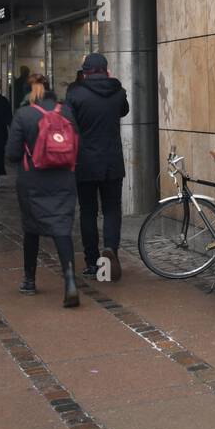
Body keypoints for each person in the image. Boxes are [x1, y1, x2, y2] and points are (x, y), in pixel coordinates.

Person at [6, 74, 80, 306]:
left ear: (29, 92)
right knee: (62, 229)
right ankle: (70, 281)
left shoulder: (24, 114)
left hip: (33, 181)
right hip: (64, 180)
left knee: (31, 229)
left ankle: (29, 281)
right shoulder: (66, 112)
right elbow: (78, 144)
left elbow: (12, 153)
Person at [66, 53, 130, 280]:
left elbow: (68, 125)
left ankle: (93, 263)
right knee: (112, 209)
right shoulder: (118, 91)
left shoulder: (75, 93)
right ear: (106, 70)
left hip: (84, 162)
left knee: (88, 211)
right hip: (112, 162)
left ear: (85, 71)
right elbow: (124, 110)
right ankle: (111, 250)